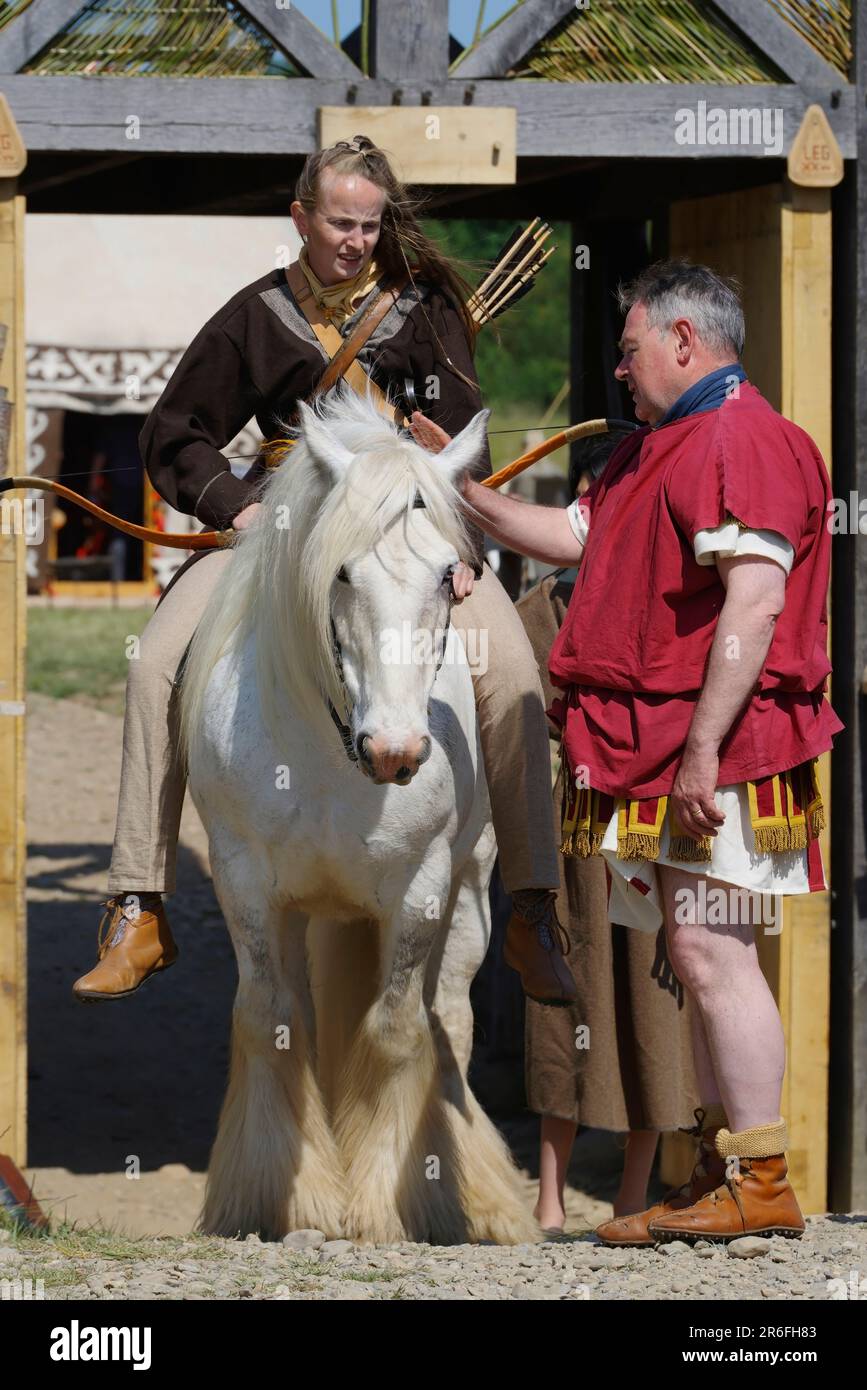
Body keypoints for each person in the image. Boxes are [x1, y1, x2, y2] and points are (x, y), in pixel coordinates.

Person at [72, 135, 575, 1007]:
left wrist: (456, 540)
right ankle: (136, 902)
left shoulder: (428, 307)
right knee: (154, 661)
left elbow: (467, 441)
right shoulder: (254, 314)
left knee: (512, 674)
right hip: (284, 529)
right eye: (340, 222)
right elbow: (175, 432)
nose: (356, 240)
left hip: (417, 535)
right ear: (299, 217)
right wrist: (238, 507)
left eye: (370, 225)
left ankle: (532, 906)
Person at [421, 259, 843, 1243]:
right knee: (693, 957)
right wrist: (465, 492)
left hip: (724, 755)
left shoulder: (746, 438)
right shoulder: (658, 448)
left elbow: (755, 601)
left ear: (683, 341)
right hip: (663, 753)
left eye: (629, 348)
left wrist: (702, 748)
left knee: (710, 949)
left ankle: (764, 1176)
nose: (619, 369)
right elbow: (570, 536)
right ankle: (719, 1167)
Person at [515, 434, 700, 1234]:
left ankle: (634, 1194)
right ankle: (549, 1196)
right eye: (591, 502)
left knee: (653, 997)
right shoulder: (535, 609)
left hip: (656, 819)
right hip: (574, 823)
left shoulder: (678, 602)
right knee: (564, 993)